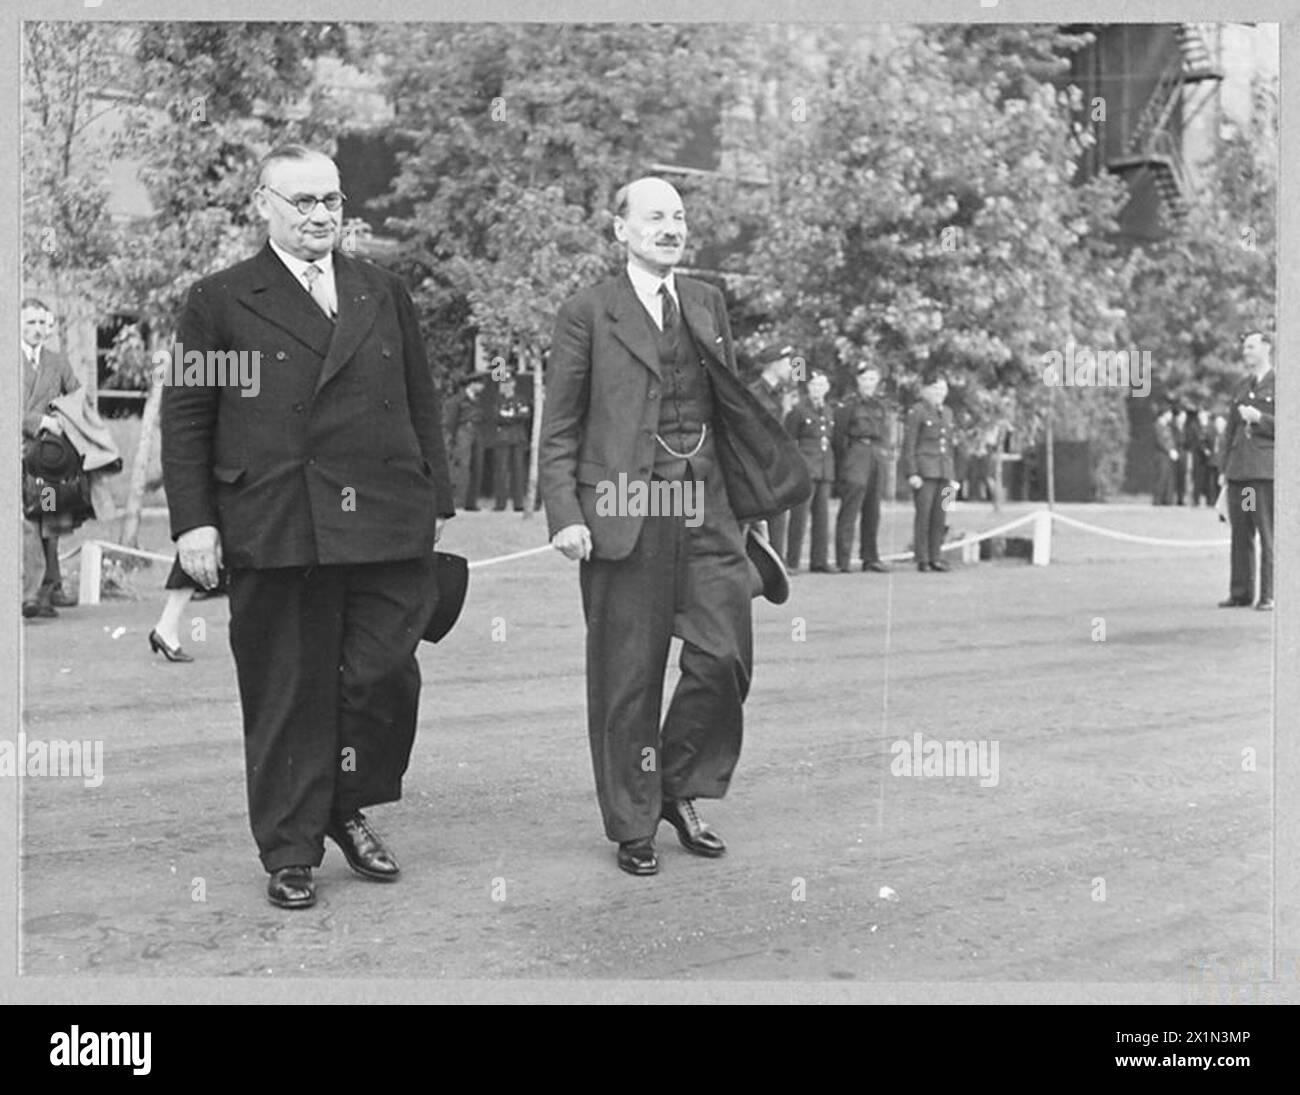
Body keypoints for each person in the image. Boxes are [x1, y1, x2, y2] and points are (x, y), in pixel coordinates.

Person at [161, 145, 455, 910]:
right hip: (278, 521)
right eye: (302, 202)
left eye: (332, 200)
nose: (321, 215)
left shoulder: (380, 290)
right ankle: (292, 847)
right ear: (264, 205)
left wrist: (436, 501)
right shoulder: (220, 300)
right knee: (285, 690)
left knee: (384, 673)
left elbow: (420, 396)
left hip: (385, 521)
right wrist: (194, 523)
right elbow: (188, 420)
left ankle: (342, 800)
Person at [539, 176, 806, 878]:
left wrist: (750, 508)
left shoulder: (707, 302)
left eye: (679, 217)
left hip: (708, 505)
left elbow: (725, 404)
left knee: (724, 657)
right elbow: (560, 424)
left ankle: (679, 786)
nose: (670, 227)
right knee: (628, 675)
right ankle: (633, 819)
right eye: (654, 216)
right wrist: (565, 514)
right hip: (627, 508)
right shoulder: (587, 312)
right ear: (619, 229)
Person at [21, 298, 82, 618]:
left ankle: (47, 591)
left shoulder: (58, 362)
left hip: (48, 461)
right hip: (16, 457)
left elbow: (77, 398)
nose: (38, 330)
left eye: (43, 323)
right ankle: (29, 595)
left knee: (49, 520)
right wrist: (39, 421)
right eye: (30, 322)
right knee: (28, 522)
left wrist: (67, 417)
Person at [1218, 331, 1275, 611]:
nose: (1246, 352)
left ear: (1267, 348)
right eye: (1244, 347)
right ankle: (1241, 592)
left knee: (1267, 533)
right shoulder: (1241, 386)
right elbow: (1229, 430)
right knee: (1241, 532)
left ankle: (1268, 594)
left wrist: (1260, 418)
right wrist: (1223, 468)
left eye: (1251, 347)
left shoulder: (1281, 384)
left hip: (1262, 473)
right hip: (1241, 473)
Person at [834, 360, 893, 573]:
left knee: (873, 510)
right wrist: (844, 465)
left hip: (876, 457)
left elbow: (885, 433)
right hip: (856, 456)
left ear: (877, 381)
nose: (868, 383)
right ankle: (843, 559)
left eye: (872, 378)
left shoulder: (881, 405)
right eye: (864, 378)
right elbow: (838, 438)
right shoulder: (848, 405)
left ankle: (870, 557)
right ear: (858, 380)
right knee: (850, 510)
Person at [902, 369, 957, 573]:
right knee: (923, 516)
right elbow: (910, 444)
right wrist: (912, 473)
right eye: (935, 389)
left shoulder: (948, 412)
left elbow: (950, 446)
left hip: (945, 472)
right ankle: (922, 558)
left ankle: (936, 556)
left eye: (942, 389)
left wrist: (952, 476)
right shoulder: (918, 411)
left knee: (940, 517)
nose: (939, 393)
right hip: (925, 472)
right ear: (925, 391)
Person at [784, 369, 835, 572]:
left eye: (822, 385)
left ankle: (819, 560)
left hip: (824, 468)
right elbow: (789, 440)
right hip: (806, 469)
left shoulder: (829, 411)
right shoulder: (799, 411)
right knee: (800, 518)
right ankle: (793, 560)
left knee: (822, 518)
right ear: (808, 387)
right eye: (814, 385)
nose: (818, 389)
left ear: (827, 388)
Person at [747, 346, 794, 564]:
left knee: (779, 513)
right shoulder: (753, 393)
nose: (790, 366)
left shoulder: (783, 394)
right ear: (774, 365)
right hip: (758, 462)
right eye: (786, 362)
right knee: (756, 514)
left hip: (777, 462)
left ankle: (777, 561)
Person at [487, 374, 530, 511]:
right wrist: (513, 416)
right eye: (502, 383)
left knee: (519, 471)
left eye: (507, 383)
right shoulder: (497, 400)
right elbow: (497, 417)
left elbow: (525, 415)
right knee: (502, 470)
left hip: (518, 438)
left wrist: (509, 416)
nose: (504, 386)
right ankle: (500, 504)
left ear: (513, 384)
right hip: (503, 439)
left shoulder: (521, 399)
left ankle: (518, 504)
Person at [444, 375, 485, 510]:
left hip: (477, 433)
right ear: (472, 384)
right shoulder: (458, 400)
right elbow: (450, 421)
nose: (482, 387)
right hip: (463, 432)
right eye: (480, 384)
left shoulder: (478, 400)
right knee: (463, 466)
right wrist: (452, 439)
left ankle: (471, 502)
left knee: (477, 467)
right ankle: (459, 501)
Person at [1189, 405, 1216, 506]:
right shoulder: (1194, 426)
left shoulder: (1211, 426)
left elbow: (1213, 439)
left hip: (1210, 457)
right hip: (1198, 456)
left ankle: (1210, 501)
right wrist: (1203, 449)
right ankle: (1195, 500)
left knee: (1209, 480)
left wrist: (1209, 450)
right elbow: (1195, 441)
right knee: (1197, 478)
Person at [1151, 406, 1177, 506]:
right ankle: (1157, 500)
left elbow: (1170, 441)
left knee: (1168, 478)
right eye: (1169, 414)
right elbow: (1160, 441)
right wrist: (1169, 451)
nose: (1170, 416)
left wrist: (1173, 450)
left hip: (1168, 456)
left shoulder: (1167, 426)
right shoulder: (1157, 426)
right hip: (1161, 456)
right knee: (1161, 478)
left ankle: (1167, 500)